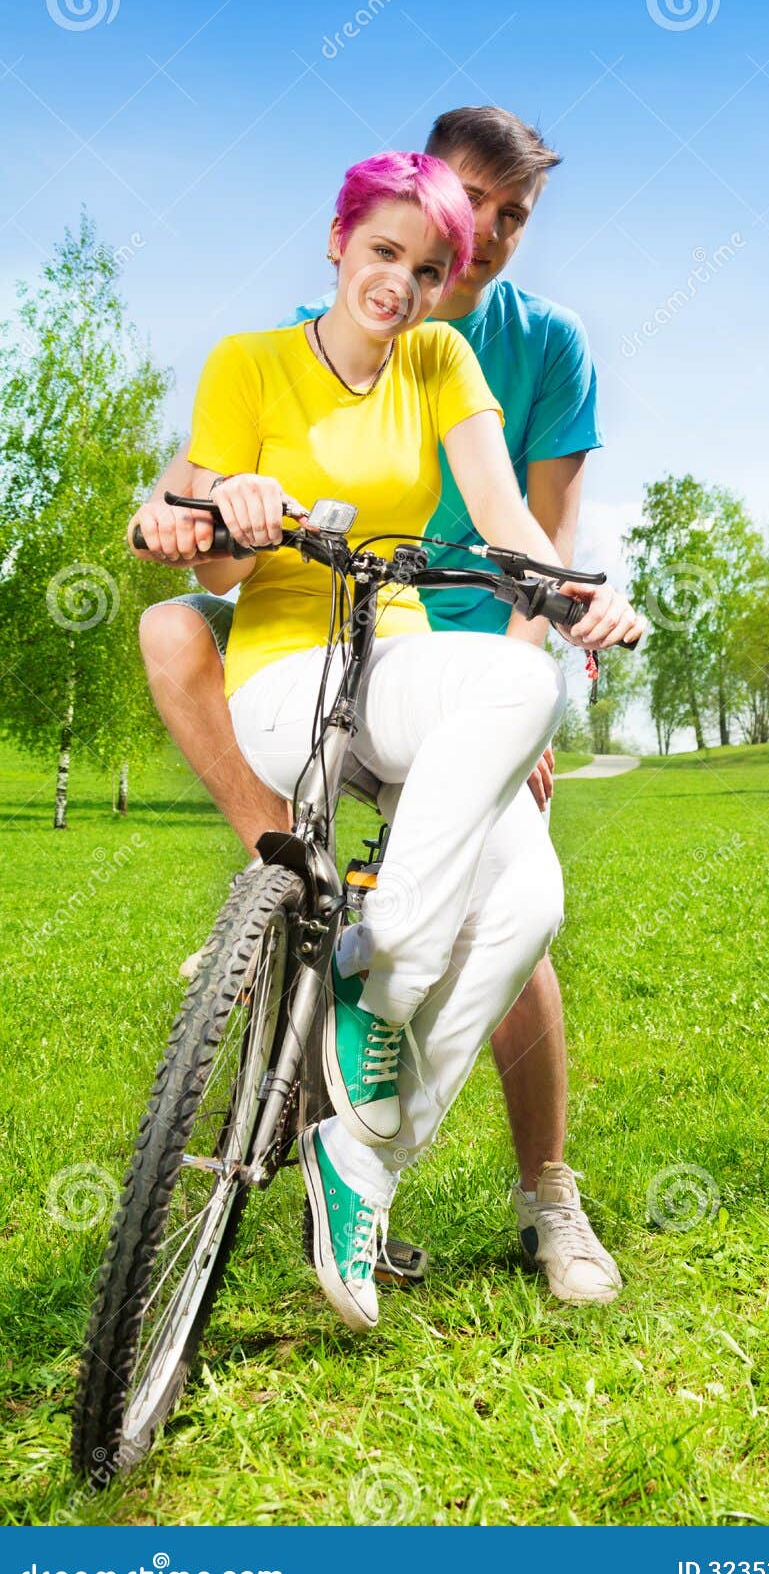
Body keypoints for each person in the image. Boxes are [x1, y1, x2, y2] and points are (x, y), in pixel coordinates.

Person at [131, 151, 643, 1335]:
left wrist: (576, 598)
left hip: (406, 661)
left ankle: (363, 1153)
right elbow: (205, 557)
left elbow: (512, 523)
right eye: (382, 254)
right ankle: (378, 968)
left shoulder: (440, 359)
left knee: (528, 894)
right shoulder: (248, 364)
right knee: (496, 738)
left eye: (426, 269)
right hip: (292, 677)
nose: (400, 285)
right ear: (337, 241)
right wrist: (239, 510)